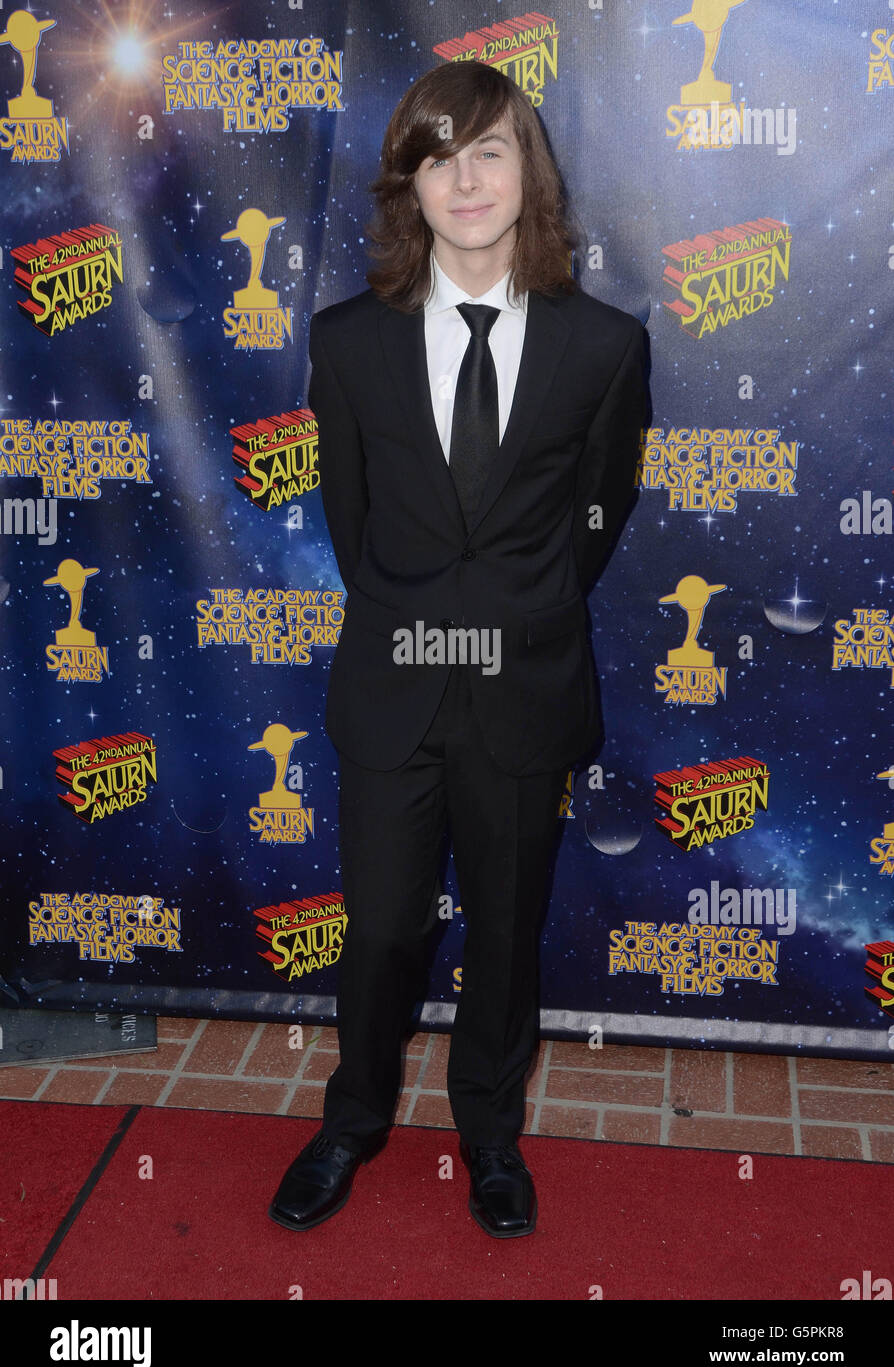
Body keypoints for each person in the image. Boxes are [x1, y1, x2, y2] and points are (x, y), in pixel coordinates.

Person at [269, 59, 650, 1239]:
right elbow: (351, 523)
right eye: (440, 155)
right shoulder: (348, 341)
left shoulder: (603, 346)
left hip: (525, 692)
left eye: (490, 150)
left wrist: (513, 618)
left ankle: (489, 1133)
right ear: (411, 185)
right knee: (380, 927)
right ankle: (354, 1118)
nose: (467, 177)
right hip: (391, 689)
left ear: (527, 170)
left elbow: (597, 516)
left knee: (504, 927)